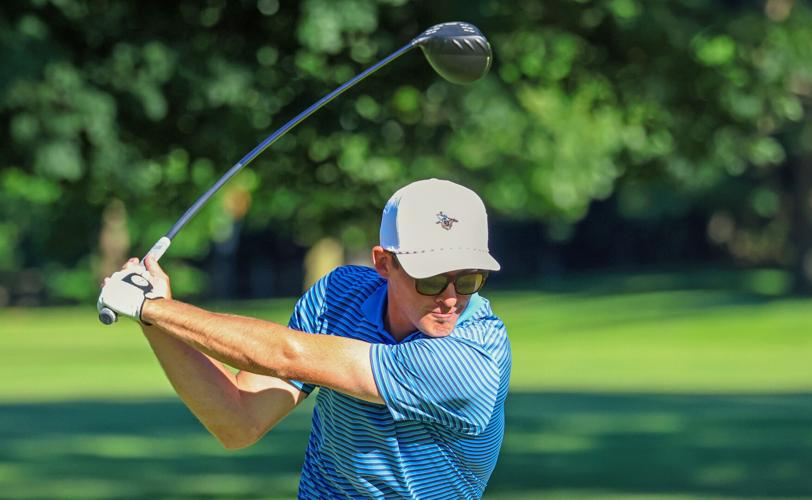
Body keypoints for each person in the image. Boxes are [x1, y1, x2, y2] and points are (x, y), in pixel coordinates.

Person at [98, 178, 511, 499]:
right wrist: (156, 318)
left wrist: (152, 307)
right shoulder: (341, 296)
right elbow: (238, 421)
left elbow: (285, 354)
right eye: (433, 279)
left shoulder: (473, 357)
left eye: (470, 278)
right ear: (384, 263)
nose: (451, 298)